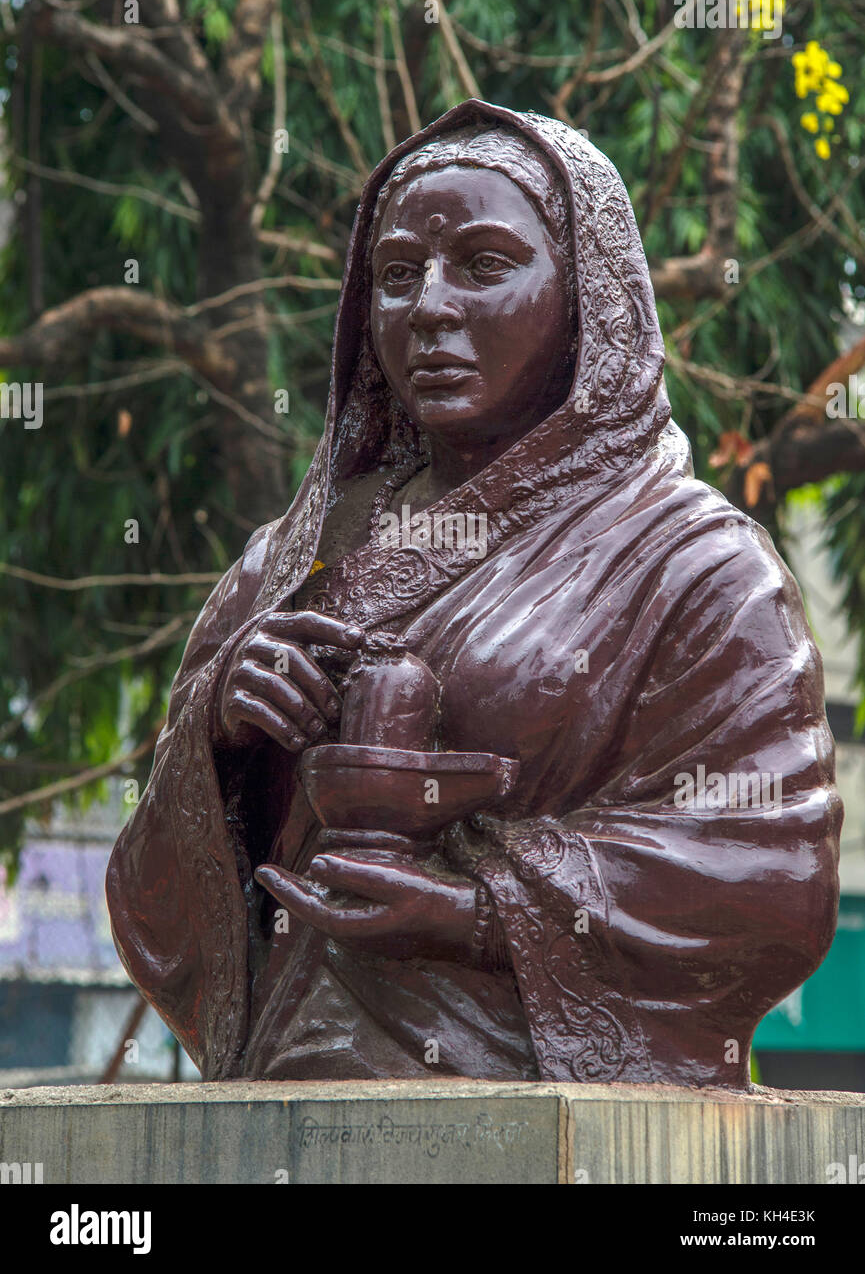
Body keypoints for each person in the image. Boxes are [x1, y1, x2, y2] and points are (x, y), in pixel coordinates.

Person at [106, 99, 841, 1087]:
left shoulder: (697, 565)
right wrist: (217, 736)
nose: (432, 308)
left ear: (586, 295)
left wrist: (474, 911)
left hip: (530, 1116)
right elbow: (150, 906)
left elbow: (776, 877)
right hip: (285, 1094)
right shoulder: (286, 565)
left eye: (485, 266)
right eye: (398, 276)